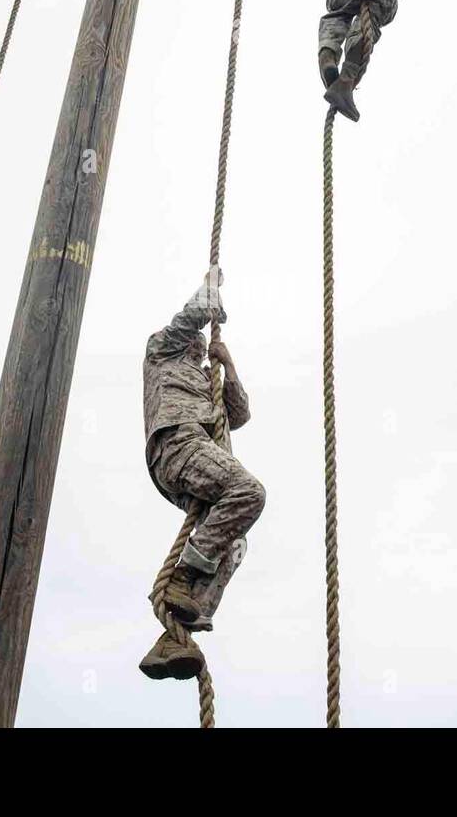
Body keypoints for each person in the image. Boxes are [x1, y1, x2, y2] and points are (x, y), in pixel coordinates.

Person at [138, 269, 265, 681]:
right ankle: (184, 574)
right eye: (194, 338)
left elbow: (240, 413)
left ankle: (177, 637)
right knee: (249, 492)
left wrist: (227, 366)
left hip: (201, 458)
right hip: (178, 445)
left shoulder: (205, 376)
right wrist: (211, 288)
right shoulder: (161, 353)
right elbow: (187, 318)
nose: (196, 342)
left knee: (233, 545)